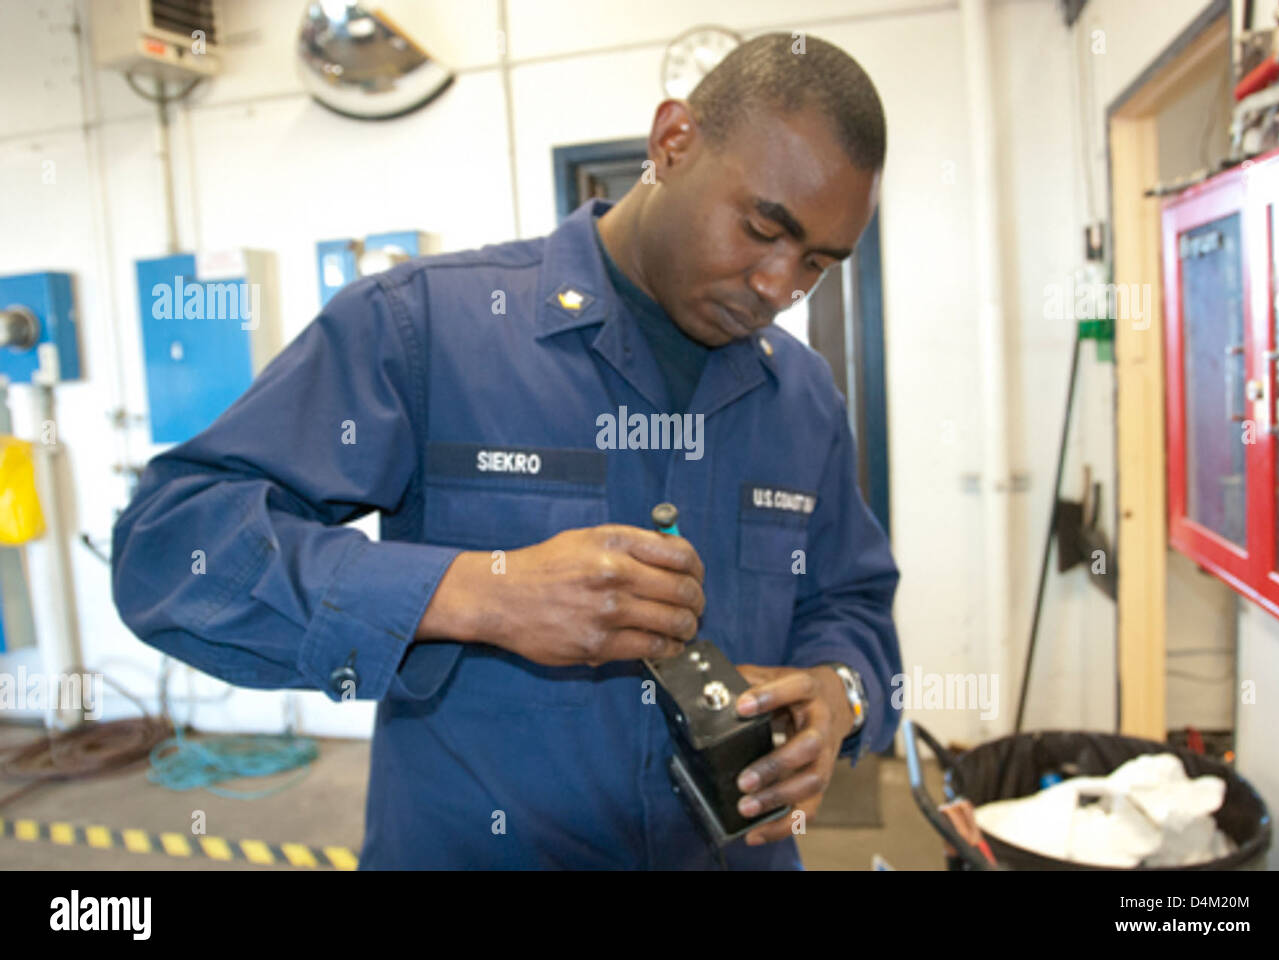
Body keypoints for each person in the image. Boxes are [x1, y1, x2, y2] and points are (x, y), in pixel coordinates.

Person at [111, 32, 902, 869]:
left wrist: (839, 693)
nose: (779, 286)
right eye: (760, 229)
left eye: (816, 262)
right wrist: (478, 593)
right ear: (672, 142)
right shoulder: (426, 331)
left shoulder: (803, 397)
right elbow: (170, 550)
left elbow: (852, 604)